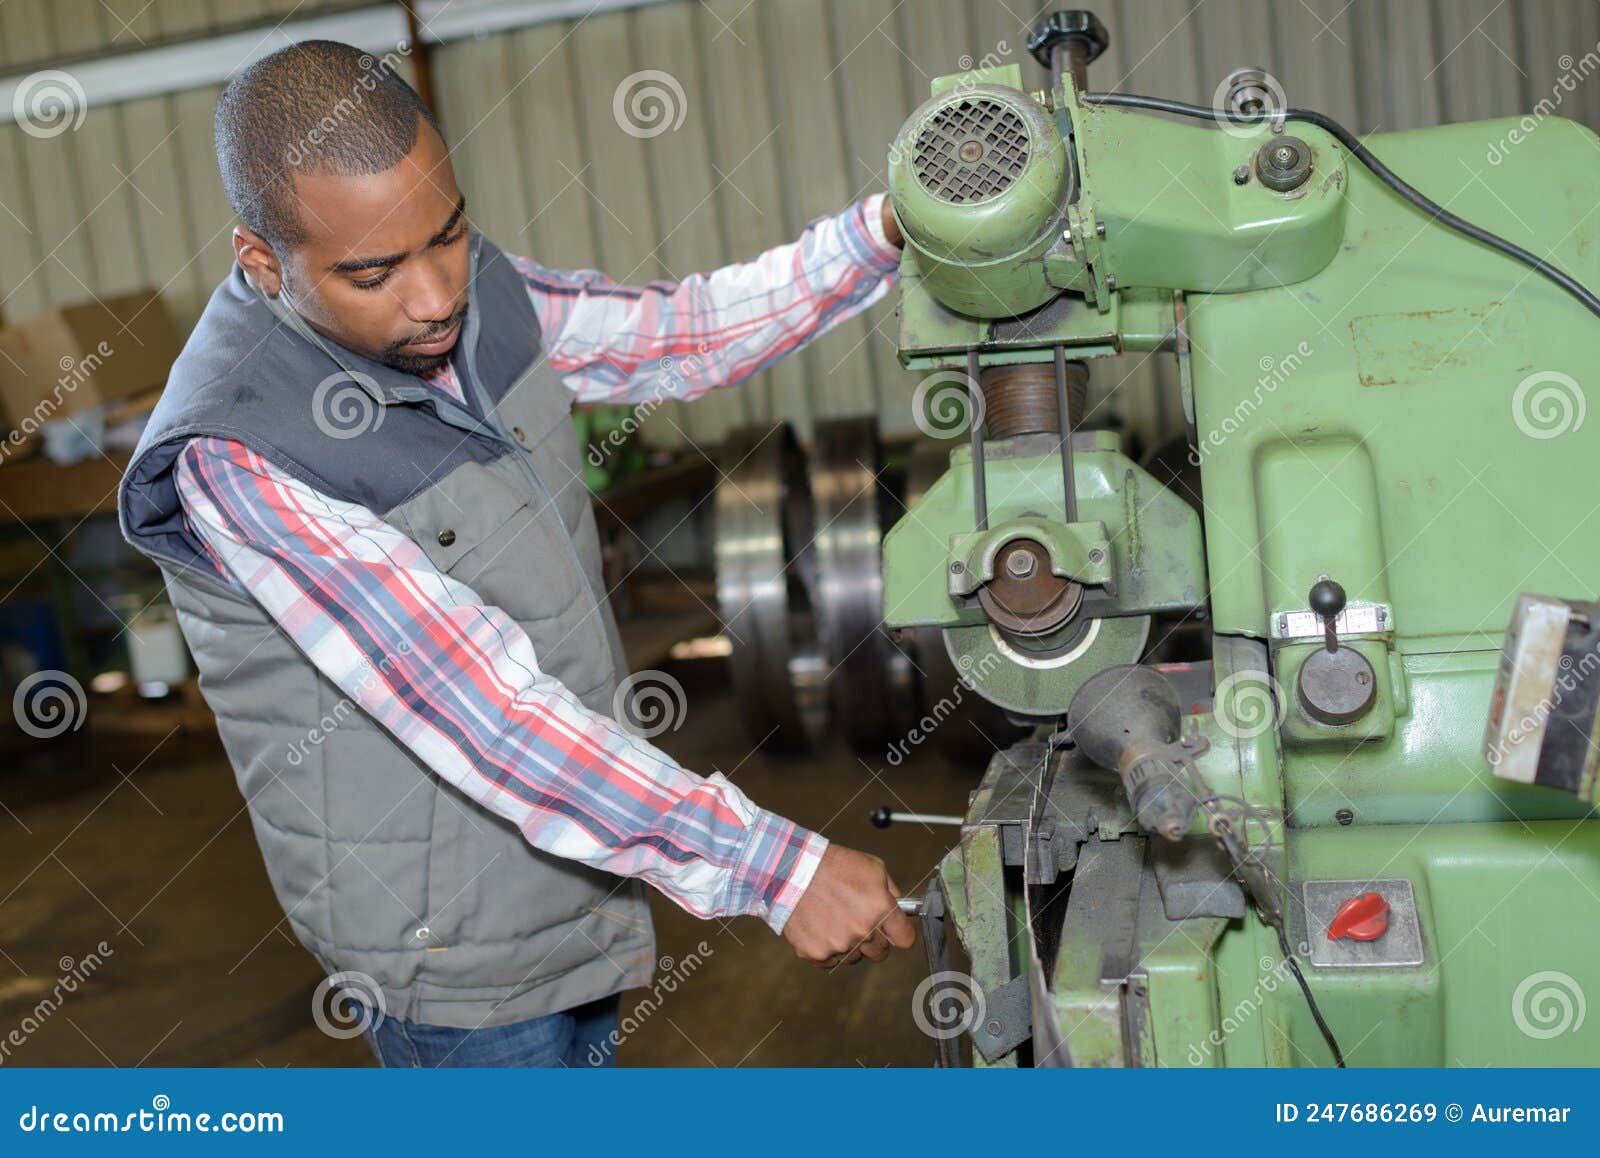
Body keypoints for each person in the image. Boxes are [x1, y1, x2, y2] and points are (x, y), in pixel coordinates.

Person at [117, 40, 916, 1069]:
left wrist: (884, 229)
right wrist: (775, 868)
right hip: (451, 955)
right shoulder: (241, 451)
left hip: (576, 870)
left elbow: (681, 332)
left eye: (447, 234)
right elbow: (487, 716)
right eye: (373, 272)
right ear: (264, 260)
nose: (434, 296)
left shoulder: (476, 287)